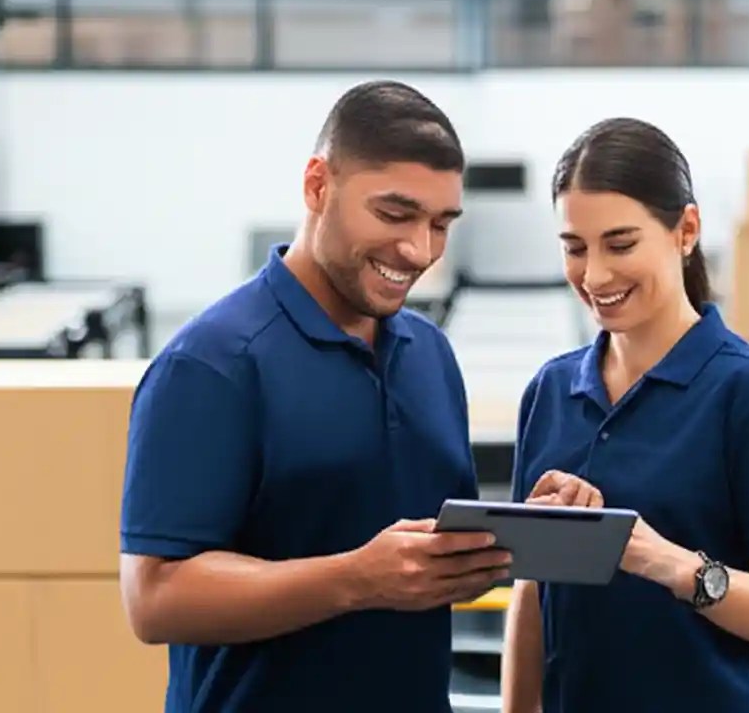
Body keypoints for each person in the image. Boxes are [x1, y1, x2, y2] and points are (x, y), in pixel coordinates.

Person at [118, 80, 512, 713]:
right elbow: (155, 598)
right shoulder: (214, 364)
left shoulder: (429, 356)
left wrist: (535, 527)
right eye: (393, 214)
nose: (419, 250)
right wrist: (355, 580)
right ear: (317, 186)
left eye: (440, 224)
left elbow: (428, 568)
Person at [501, 117, 749, 713]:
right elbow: (531, 594)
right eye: (575, 248)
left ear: (686, 230)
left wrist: (664, 560)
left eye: (620, 245)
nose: (595, 275)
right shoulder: (550, 392)